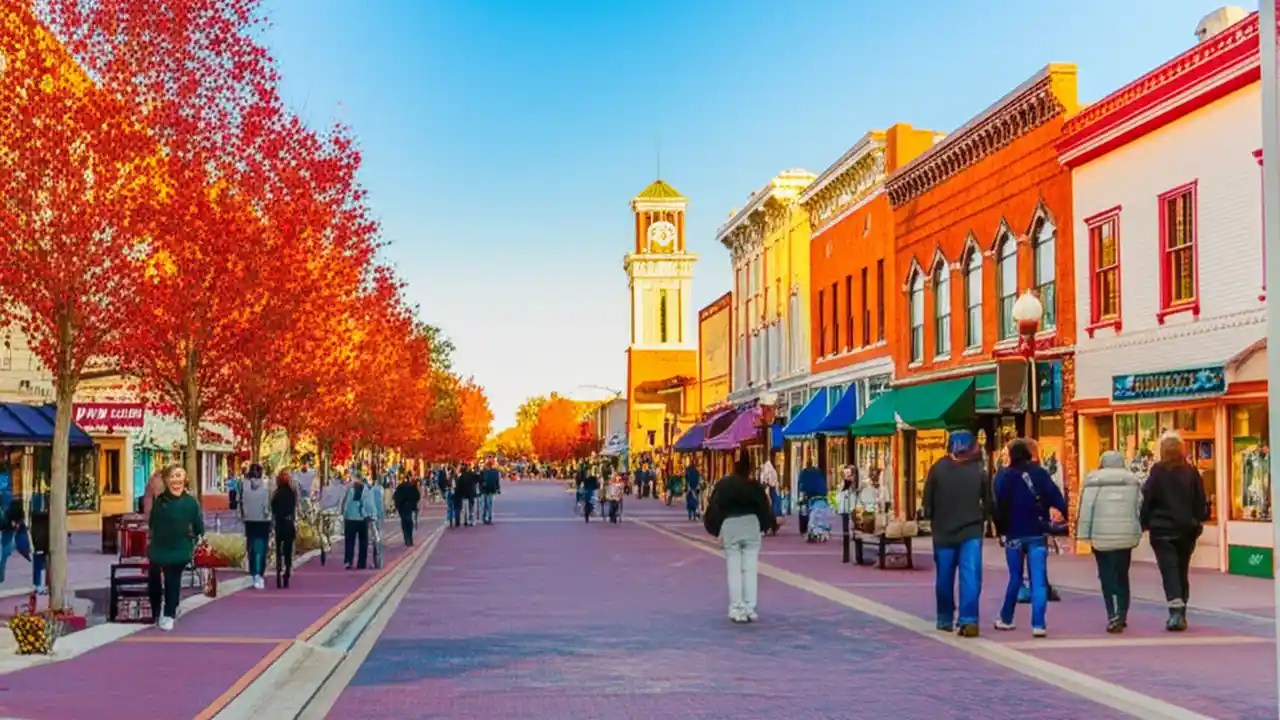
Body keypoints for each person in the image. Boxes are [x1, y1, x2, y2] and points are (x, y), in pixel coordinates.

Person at [993, 438, 1067, 638]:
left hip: (1014, 534)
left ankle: (1006, 618)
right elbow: (1059, 500)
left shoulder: (1004, 477)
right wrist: (1055, 514)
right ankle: (1038, 624)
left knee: (1015, 578)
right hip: (1036, 532)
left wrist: (1001, 530)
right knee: (1039, 580)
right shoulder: (1040, 474)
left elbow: (997, 507)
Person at [923, 430, 989, 637]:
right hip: (971, 531)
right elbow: (989, 501)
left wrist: (933, 518)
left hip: (943, 532)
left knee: (944, 577)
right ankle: (969, 620)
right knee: (970, 576)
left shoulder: (937, 469)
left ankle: (944, 618)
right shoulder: (979, 470)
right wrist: (987, 519)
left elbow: (927, 504)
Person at [1142, 431, 1209, 632]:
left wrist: (1145, 522)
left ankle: (1175, 611)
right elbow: (1201, 501)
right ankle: (1181, 610)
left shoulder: (1157, 472)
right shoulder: (1191, 472)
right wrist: (1197, 521)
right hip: (1186, 529)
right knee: (1181, 569)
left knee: (1169, 570)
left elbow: (1147, 499)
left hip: (1162, 530)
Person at [704, 452, 777, 624]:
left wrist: (715, 528)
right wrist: (765, 525)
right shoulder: (755, 487)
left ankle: (737, 607)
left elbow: (714, 506)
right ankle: (750, 607)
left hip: (731, 525)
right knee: (750, 568)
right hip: (751, 524)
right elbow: (764, 508)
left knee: (734, 568)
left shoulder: (724, 485)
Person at [1076, 450, 1142, 633]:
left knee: (1106, 576)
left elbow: (1086, 510)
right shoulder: (1133, 481)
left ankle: (1112, 614)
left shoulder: (1092, 481)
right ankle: (1122, 613)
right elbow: (1139, 508)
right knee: (1122, 575)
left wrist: (1083, 536)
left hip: (1100, 537)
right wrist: (1137, 529)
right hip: (1125, 537)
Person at [147, 465, 204, 630]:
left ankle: (169, 613)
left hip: (180, 547)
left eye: (180, 476)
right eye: (173, 477)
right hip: (159, 547)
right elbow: (152, 524)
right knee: (154, 578)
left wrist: (198, 539)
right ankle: (157, 611)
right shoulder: (160, 501)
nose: (176, 481)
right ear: (166, 480)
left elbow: (198, 526)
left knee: (173, 579)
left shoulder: (191, 503)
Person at [271, 470, 298, 589]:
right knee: (288, 550)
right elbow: (293, 507)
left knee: (278, 549)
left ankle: (278, 568)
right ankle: (287, 571)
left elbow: (273, 508)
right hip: (288, 523)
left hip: (279, 523)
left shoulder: (276, 493)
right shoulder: (291, 493)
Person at [342, 474, 375, 568]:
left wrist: (344, 513)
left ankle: (349, 561)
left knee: (349, 541)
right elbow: (369, 504)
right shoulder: (366, 490)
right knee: (363, 541)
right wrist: (371, 515)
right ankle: (362, 562)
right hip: (362, 518)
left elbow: (346, 503)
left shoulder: (350, 490)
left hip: (350, 518)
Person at [797, 461, 830, 543]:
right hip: (821, 496)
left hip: (811, 496)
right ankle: (819, 531)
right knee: (820, 514)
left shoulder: (804, 473)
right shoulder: (818, 473)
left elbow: (801, 486)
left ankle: (807, 530)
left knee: (807, 513)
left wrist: (801, 497)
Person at [796, 462, 823, 536]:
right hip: (811, 494)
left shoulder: (803, 473)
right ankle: (810, 528)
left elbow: (800, 484)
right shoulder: (816, 472)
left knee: (805, 512)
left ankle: (804, 529)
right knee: (811, 512)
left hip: (806, 494)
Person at [393, 476, 421, 546]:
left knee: (404, 522)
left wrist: (397, 505)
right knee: (409, 521)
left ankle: (406, 538)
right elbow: (417, 496)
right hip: (409, 506)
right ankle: (410, 538)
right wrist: (414, 504)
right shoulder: (412, 487)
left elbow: (395, 496)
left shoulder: (400, 487)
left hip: (402, 507)